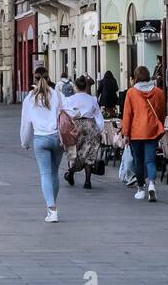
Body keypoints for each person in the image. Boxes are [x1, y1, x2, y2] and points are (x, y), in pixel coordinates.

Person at [19, 67, 65, 222]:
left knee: (45, 174)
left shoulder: (30, 99)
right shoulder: (58, 95)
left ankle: (51, 208)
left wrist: (24, 141)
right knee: (54, 173)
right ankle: (52, 206)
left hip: (40, 139)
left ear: (34, 79)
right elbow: (69, 112)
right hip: (57, 137)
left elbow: (26, 123)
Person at [121, 65, 166, 203]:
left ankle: (141, 189)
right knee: (150, 160)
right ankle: (152, 184)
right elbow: (161, 111)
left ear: (136, 77)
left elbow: (127, 115)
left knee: (138, 162)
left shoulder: (131, 93)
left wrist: (126, 133)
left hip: (136, 132)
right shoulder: (158, 92)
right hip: (151, 130)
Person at [63, 74, 104, 190]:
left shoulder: (69, 100)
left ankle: (70, 173)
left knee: (74, 151)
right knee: (90, 152)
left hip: (75, 126)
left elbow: (66, 114)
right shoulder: (92, 99)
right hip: (90, 126)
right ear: (86, 86)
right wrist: (100, 130)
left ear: (75, 86)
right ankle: (87, 181)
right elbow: (98, 116)